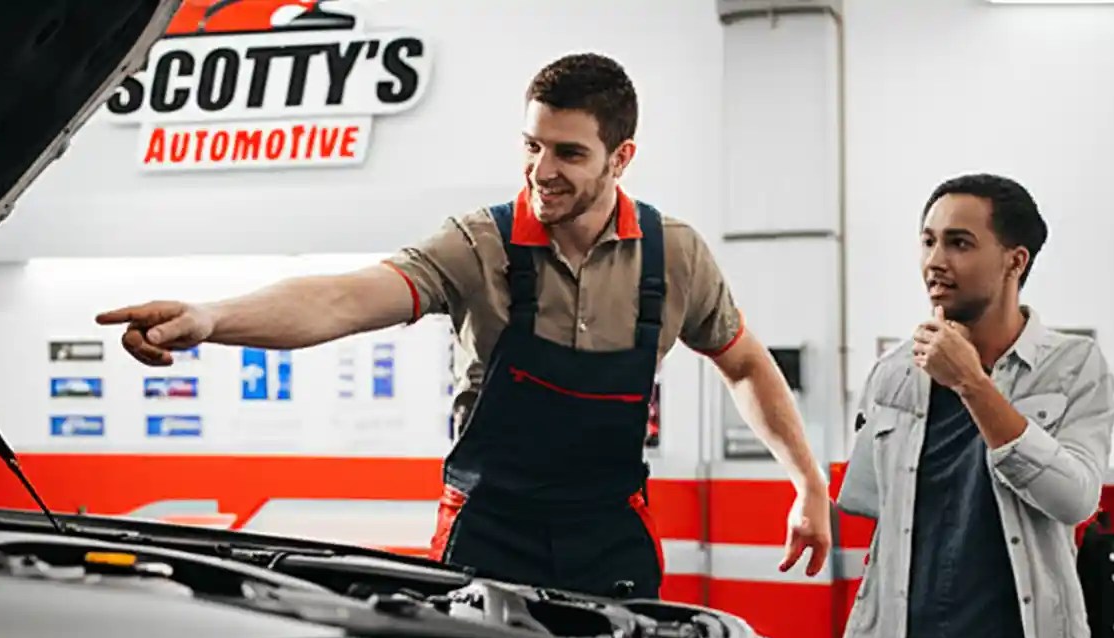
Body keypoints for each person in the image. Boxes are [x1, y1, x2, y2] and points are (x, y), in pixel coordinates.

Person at [95, 52, 832, 600]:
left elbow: (744, 363)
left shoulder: (676, 257)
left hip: (607, 532)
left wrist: (806, 484)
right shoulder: (481, 244)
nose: (542, 170)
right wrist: (210, 318)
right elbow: (342, 300)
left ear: (621, 158)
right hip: (488, 529)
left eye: (569, 153)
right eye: (531, 145)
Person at [833, 173, 1114, 638]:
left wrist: (973, 384)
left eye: (959, 243)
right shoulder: (892, 373)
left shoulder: (1073, 367)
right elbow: (872, 503)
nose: (935, 260)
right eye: (928, 240)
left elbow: (1075, 498)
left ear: (1016, 261)